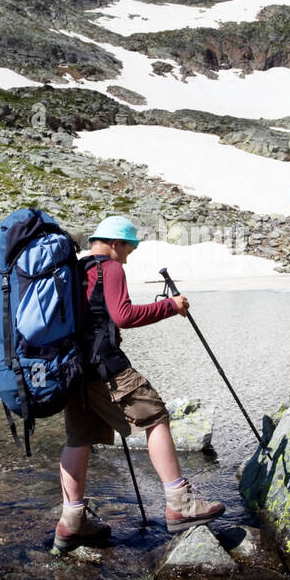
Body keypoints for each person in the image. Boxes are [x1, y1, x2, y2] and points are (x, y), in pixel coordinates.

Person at [54, 215, 226, 551]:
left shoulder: (75, 269)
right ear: (116, 244)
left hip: (73, 372)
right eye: (129, 249)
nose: (128, 257)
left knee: (78, 438)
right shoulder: (111, 268)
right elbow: (124, 315)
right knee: (156, 415)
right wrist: (169, 306)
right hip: (108, 369)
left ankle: (71, 521)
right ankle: (180, 503)